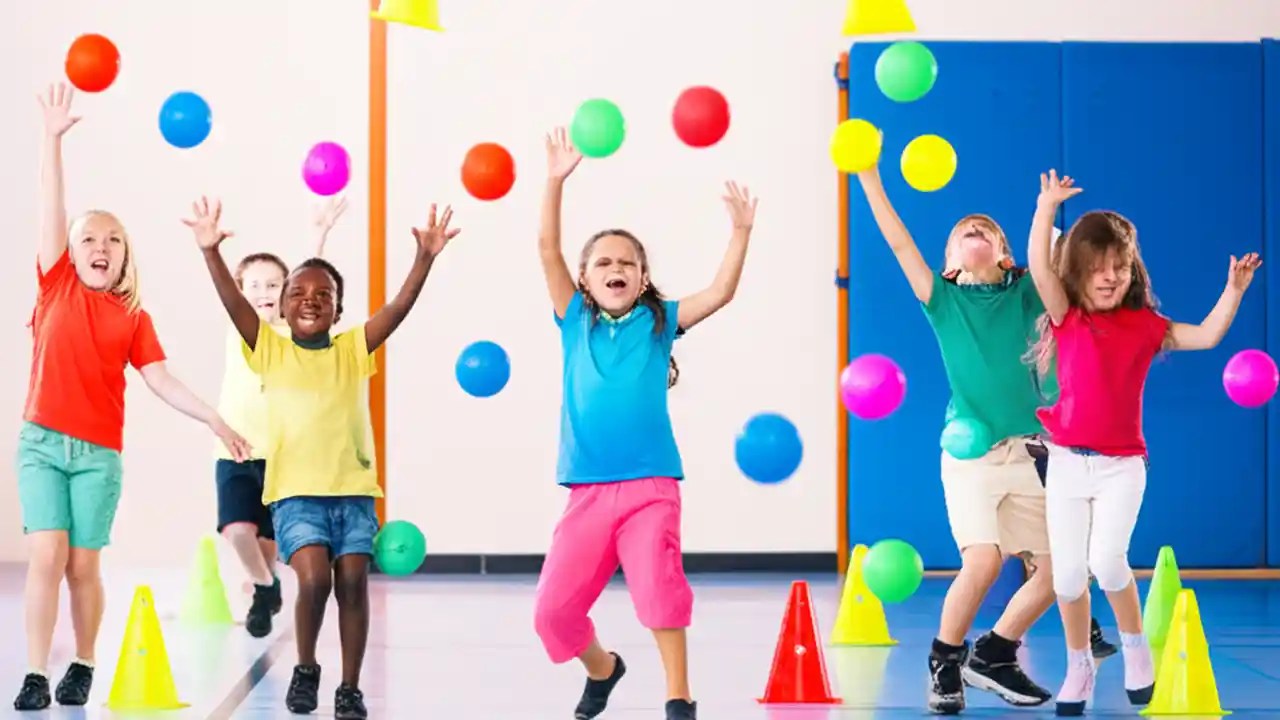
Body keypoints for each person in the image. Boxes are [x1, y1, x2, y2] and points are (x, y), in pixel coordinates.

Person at [14, 83, 250, 712]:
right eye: (89, 238)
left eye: (112, 241)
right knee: (46, 554)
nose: (99, 247)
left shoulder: (132, 320)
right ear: (71, 251)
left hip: (97, 456)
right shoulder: (55, 283)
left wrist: (215, 419)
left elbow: (163, 381)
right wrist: (53, 139)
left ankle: (84, 662)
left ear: (125, 261)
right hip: (41, 444)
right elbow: (50, 204)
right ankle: (37, 672)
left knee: (82, 568)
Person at [853, 162, 1113, 715]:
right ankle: (946, 660)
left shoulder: (1027, 293)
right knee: (985, 561)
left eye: (987, 231)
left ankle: (994, 652)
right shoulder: (942, 301)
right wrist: (871, 178)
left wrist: (1047, 214)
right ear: (948, 264)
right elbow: (899, 242)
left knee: (1067, 567)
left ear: (1006, 256)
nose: (974, 231)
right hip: (970, 454)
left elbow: (1051, 263)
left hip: (1032, 451)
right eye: (962, 233)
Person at [186, 196, 459, 720]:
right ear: (284, 308)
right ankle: (307, 666)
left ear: (338, 308)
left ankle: (350, 687)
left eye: (324, 294)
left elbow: (397, 308)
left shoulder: (354, 349)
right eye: (298, 293)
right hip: (295, 495)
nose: (310, 300)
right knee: (315, 579)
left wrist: (424, 258)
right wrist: (211, 254)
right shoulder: (269, 349)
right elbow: (234, 304)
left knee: (354, 581)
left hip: (353, 493)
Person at [531, 128, 757, 720]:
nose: (615, 268)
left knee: (659, 593)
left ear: (641, 277)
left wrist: (740, 232)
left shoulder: (661, 323)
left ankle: (678, 698)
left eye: (626, 263)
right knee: (552, 614)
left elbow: (722, 291)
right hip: (586, 489)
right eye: (603, 262)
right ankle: (604, 670)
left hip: (651, 488)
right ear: (586, 280)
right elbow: (548, 248)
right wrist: (554, 180)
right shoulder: (573, 317)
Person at [1026, 170, 1260, 716]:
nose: (1110, 277)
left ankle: (1135, 649)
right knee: (1065, 575)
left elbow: (1206, 336)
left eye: (1120, 267)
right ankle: (1079, 664)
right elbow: (1039, 265)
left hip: (1121, 467)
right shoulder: (1068, 318)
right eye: (1097, 268)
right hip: (1065, 463)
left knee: (1108, 562)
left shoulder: (1145, 325)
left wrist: (1233, 292)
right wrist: (1046, 208)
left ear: (1132, 271)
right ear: (1077, 273)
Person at [212, 196, 348, 638]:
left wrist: (320, 234)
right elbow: (231, 292)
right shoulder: (241, 329)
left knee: (267, 543)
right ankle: (267, 587)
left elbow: (309, 279)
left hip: (283, 459)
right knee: (237, 532)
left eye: (275, 285)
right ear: (240, 291)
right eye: (255, 285)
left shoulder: (293, 336)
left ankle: (262, 591)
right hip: (235, 451)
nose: (265, 293)